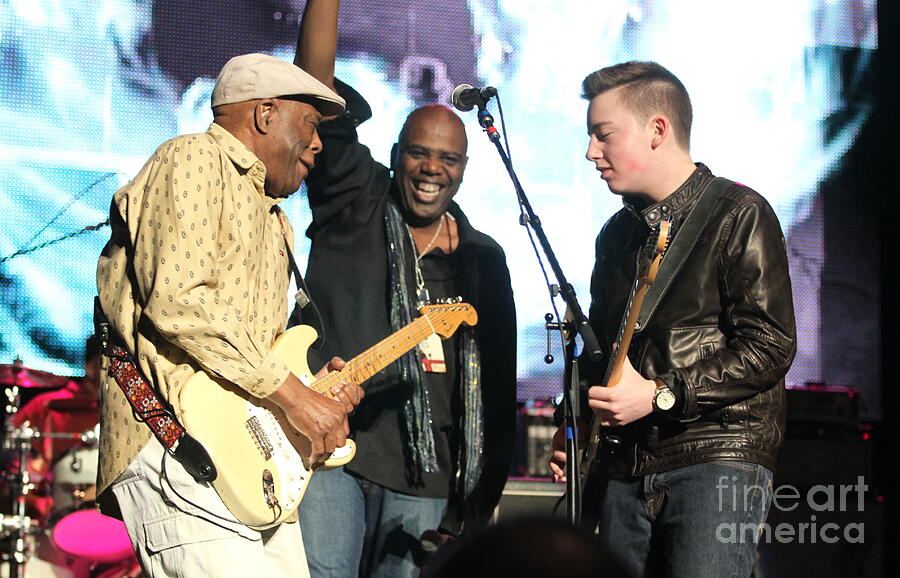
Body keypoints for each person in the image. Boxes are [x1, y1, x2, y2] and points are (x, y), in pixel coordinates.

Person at [94, 53, 364, 578]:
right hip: (179, 443)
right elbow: (179, 301)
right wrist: (292, 393)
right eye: (309, 125)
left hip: (243, 459)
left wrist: (310, 388)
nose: (318, 145)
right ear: (264, 114)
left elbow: (249, 352)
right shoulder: (193, 159)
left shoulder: (276, 219)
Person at [291, 2, 517, 576]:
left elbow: (493, 393)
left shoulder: (481, 261)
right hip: (326, 455)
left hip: (426, 480)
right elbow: (314, 93)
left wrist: (478, 507)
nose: (431, 168)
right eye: (419, 152)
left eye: (447, 159)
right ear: (396, 157)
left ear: (464, 170)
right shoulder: (355, 198)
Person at [549, 61, 796, 577]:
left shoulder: (738, 213)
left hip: (715, 456)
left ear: (658, 130)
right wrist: (573, 424)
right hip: (624, 466)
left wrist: (662, 392)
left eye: (603, 135)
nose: (591, 152)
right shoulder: (616, 235)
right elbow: (606, 355)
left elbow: (770, 343)